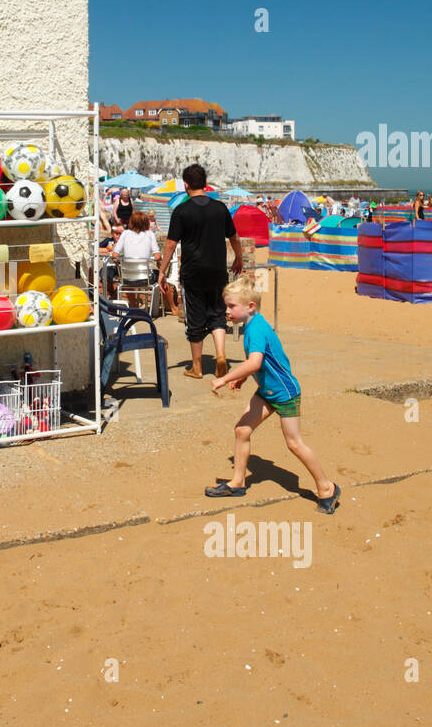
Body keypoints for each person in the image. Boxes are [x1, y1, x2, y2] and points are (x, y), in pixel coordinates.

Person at [205, 275, 341, 513]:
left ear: (250, 307)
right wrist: (244, 377)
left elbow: (255, 362)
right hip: (267, 391)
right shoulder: (252, 325)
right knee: (242, 430)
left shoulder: (256, 329)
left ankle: (327, 487)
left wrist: (227, 377)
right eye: (226, 305)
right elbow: (261, 361)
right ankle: (237, 482)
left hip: (285, 394)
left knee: (294, 443)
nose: (227, 311)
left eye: (231, 306)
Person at [157, 164, 241, 379]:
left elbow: (170, 244)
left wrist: (162, 271)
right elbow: (234, 237)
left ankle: (197, 367)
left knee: (195, 318)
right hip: (217, 270)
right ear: (205, 183)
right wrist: (239, 258)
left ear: (186, 184)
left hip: (193, 271)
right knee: (217, 314)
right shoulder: (220, 208)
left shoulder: (182, 211)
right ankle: (220, 354)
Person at [113, 211, 161, 308]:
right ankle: (171, 308)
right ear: (146, 222)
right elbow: (157, 256)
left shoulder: (125, 233)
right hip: (145, 279)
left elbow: (115, 254)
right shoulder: (150, 234)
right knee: (161, 274)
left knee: (127, 276)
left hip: (127, 278)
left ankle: (133, 304)